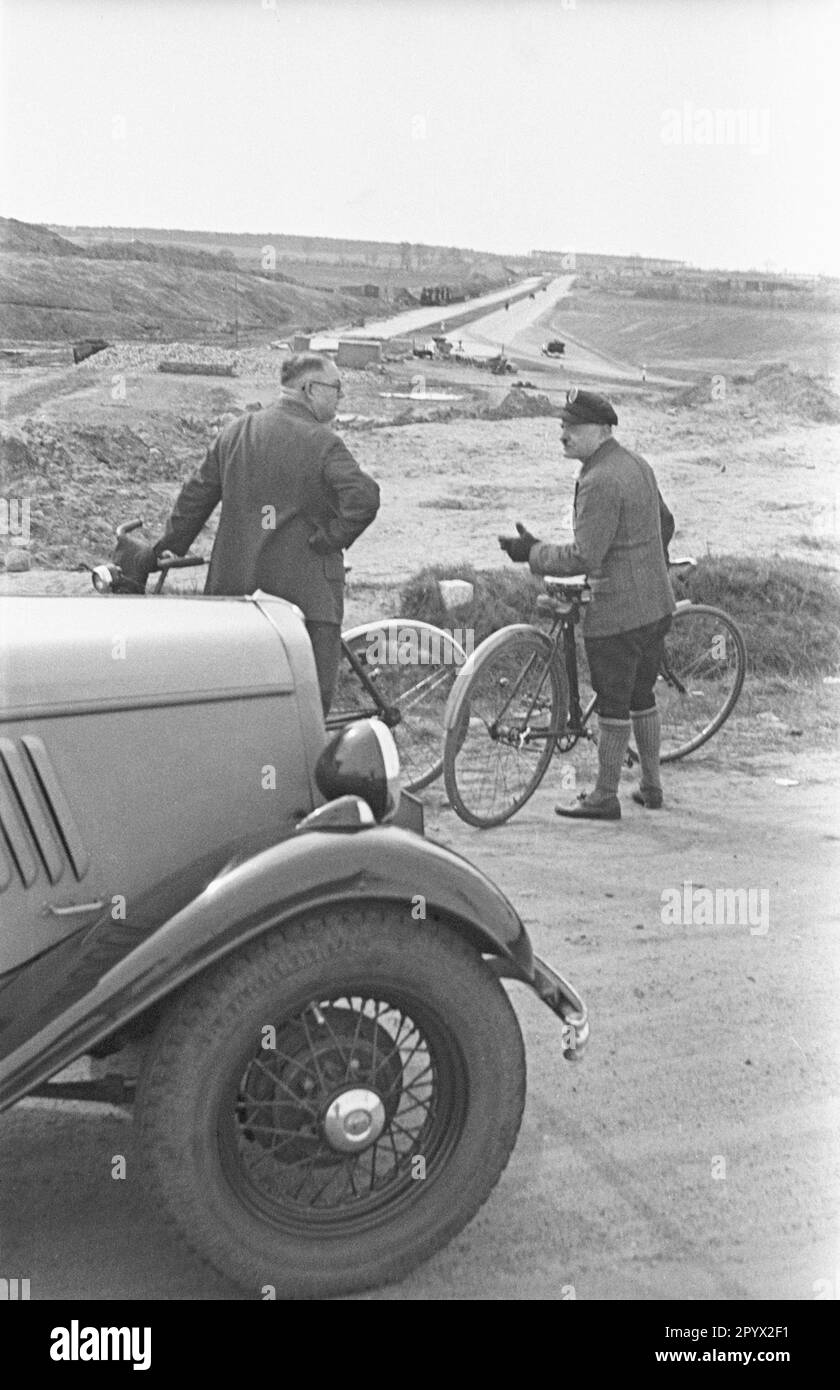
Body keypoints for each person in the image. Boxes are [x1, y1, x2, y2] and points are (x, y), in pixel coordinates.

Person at [136, 352, 380, 714]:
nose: (340, 396)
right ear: (309, 389)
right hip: (306, 595)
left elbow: (195, 495)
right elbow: (364, 497)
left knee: (233, 696)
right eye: (336, 388)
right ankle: (303, 768)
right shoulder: (322, 442)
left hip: (232, 590)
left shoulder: (237, 431)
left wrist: (169, 548)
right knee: (309, 702)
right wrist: (330, 539)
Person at [499, 387, 675, 821]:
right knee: (641, 694)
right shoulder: (636, 464)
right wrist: (641, 563)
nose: (563, 434)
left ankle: (603, 795)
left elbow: (584, 557)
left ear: (601, 430)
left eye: (573, 427)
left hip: (616, 615)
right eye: (562, 425)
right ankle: (651, 786)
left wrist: (532, 552)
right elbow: (665, 524)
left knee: (613, 703)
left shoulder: (598, 480)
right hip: (655, 606)